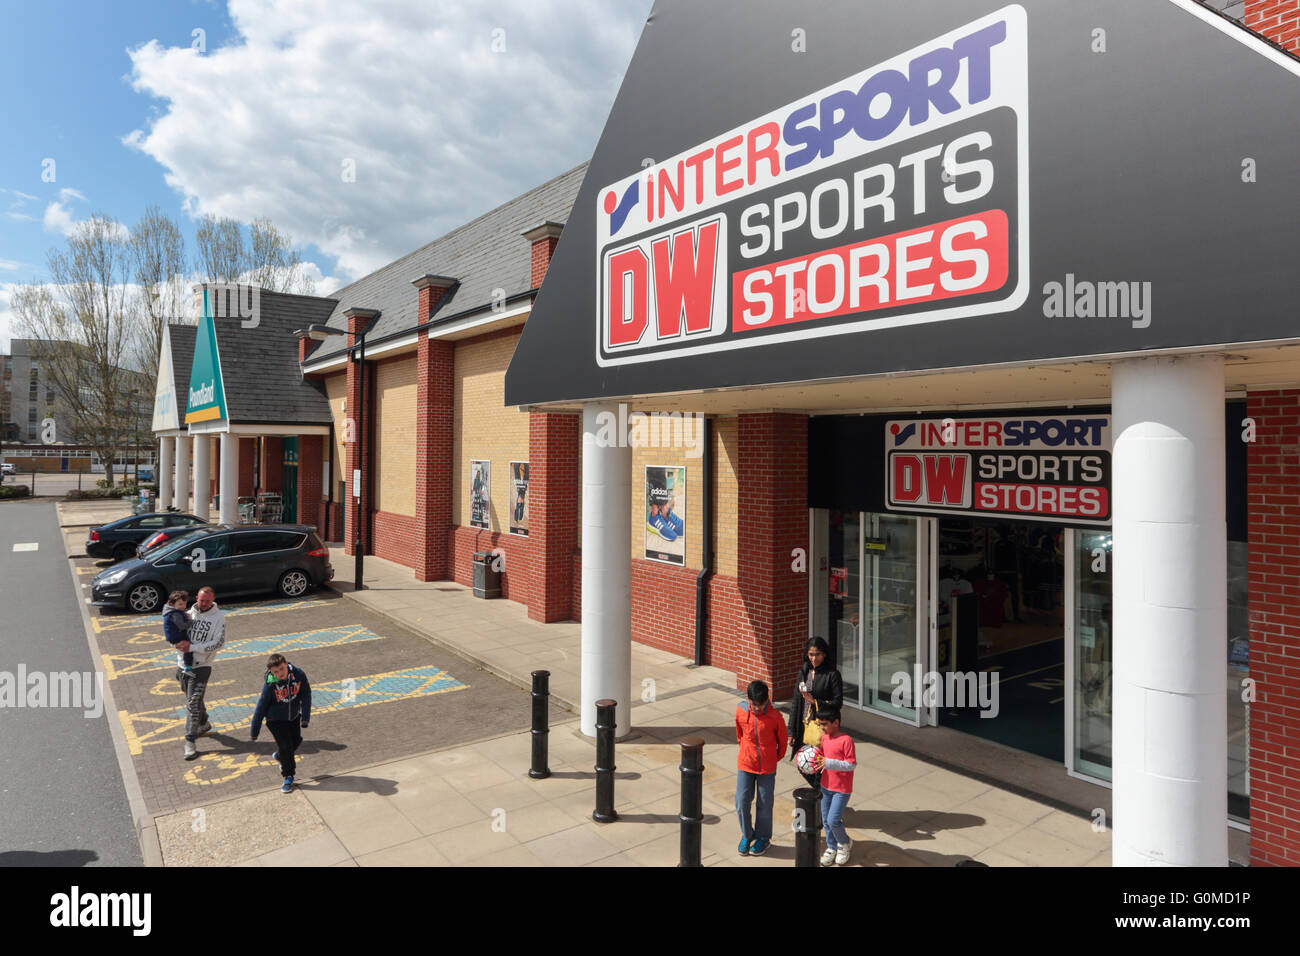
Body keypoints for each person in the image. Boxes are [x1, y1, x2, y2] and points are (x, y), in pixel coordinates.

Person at [735, 679, 787, 857]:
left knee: (765, 804)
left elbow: (783, 742)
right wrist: (746, 751)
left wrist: (772, 758)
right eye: (754, 704)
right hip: (745, 764)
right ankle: (747, 835)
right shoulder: (741, 711)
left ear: (767, 700)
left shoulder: (775, 717)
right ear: (748, 699)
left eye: (761, 704)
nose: (757, 708)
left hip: (767, 768)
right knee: (741, 802)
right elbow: (739, 735)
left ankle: (763, 837)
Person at [250, 653, 312, 794]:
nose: (279, 674)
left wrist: (305, 717)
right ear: (271, 672)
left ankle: (279, 756)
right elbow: (260, 708)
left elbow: (306, 694)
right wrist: (254, 731)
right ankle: (288, 776)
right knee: (286, 747)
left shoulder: (298, 675)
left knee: (296, 741)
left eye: (282, 669)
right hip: (275, 721)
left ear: (286, 664)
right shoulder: (270, 685)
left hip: (293, 717)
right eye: (275, 672)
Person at [177, 586, 226, 760]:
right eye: (201, 600)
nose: (204, 604)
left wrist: (194, 648)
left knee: (192, 702)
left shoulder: (219, 618)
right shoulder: (188, 614)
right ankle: (203, 723)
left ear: (212, 600)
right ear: (196, 598)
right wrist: (176, 644)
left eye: (207, 600)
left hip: (202, 666)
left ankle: (190, 742)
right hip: (183, 665)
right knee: (193, 698)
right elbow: (176, 634)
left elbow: (218, 643)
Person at [788, 637, 843, 789]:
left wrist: (816, 702)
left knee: (820, 769)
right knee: (803, 765)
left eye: (817, 654)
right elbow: (796, 702)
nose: (814, 658)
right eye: (811, 654)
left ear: (824, 654)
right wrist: (791, 731)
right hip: (804, 727)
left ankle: (823, 802)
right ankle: (822, 796)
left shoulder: (832, 674)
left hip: (823, 728)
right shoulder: (804, 672)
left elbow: (838, 703)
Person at [813, 707, 857, 866]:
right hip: (826, 786)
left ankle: (844, 843)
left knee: (833, 820)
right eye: (820, 724)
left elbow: (851, 764)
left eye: (824, 724)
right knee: (825, 820)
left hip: (841, 789)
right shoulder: (825, 738)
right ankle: (832, 847)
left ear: (836, 722)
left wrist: (829, 763)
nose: (822, 728)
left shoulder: (846, 740)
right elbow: (823, 756)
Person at [162, 590, 195, 673]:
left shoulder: (171, 611)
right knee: (188, 647)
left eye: (185, 604)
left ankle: (186, 664)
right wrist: (191, 621)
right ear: (172, 604)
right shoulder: (175, 614)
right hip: (176, 635)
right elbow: (182, 626)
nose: (183, 606)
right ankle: (188, 666)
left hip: (172, 635)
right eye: (180, 604)